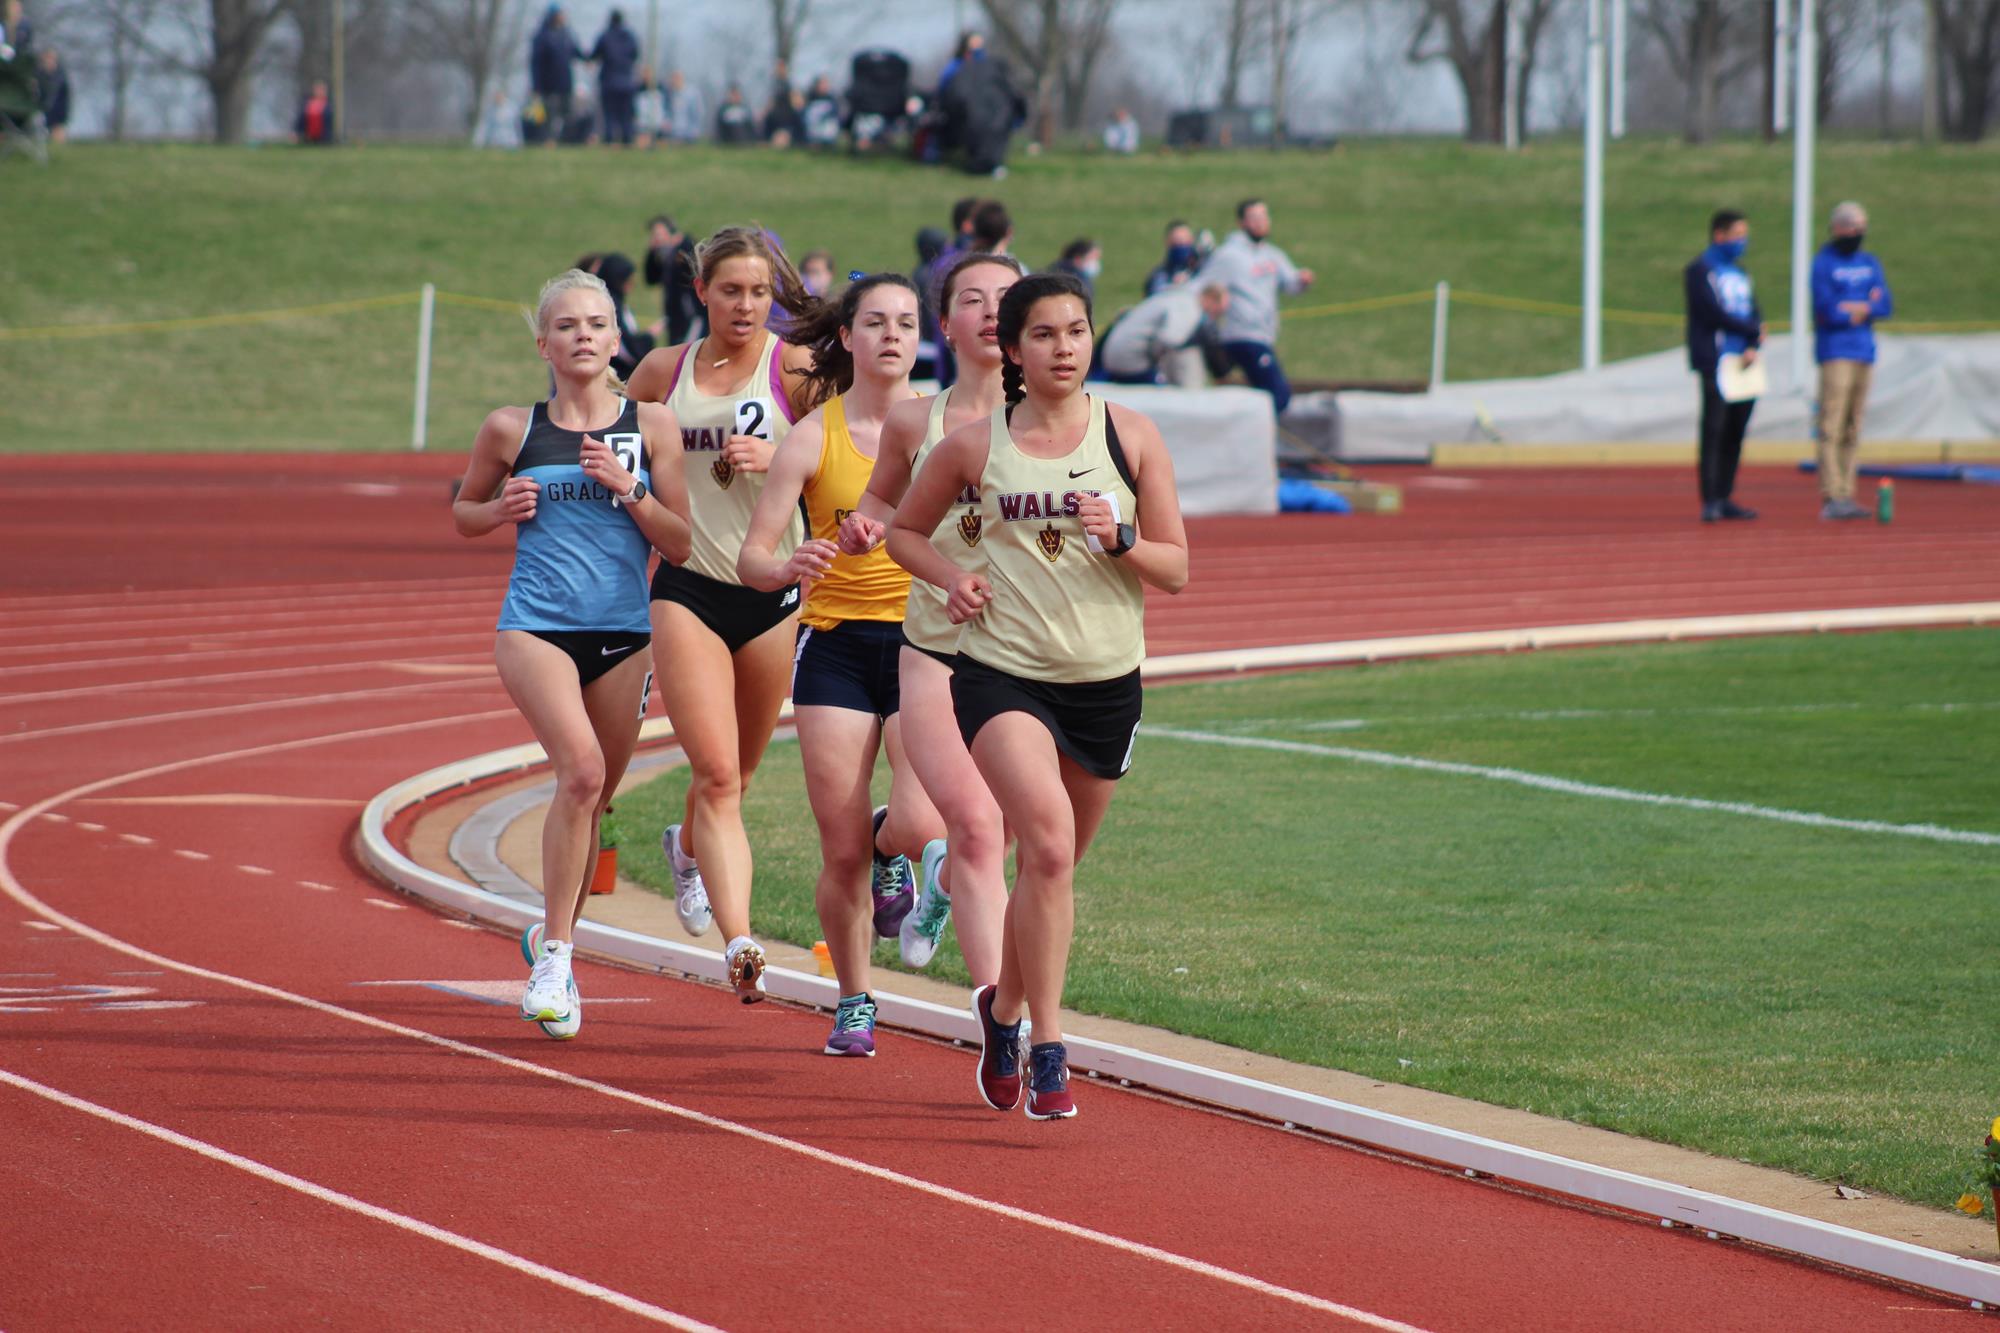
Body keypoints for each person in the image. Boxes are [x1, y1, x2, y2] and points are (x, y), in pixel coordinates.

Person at [886, 273, 1190, 1121]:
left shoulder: (1130, 436)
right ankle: (1050, 1045)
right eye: (1046, 334)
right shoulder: (974, 446)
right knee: (1046, 847)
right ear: (1013, 350)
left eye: (1077, 331)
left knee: (1052, 870)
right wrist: (952, 578)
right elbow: (907, 531)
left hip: (1106, 683)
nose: (1064, 348)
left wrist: (1122, 536)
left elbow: (1176, 568)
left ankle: (1003, 1011)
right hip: (1002, 676)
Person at [451, 269, 692, 1040]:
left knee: (593, 801)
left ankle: (554, 939)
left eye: (597, 322)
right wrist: (497, 509)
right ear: (543, 343)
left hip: (623, 633)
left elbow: (682, 543)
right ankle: (555, 961)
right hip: (535, 627)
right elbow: (463, 510)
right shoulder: (511, 429)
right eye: (567, 325)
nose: (583, 335)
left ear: (618, 339)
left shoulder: (652, 427)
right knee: (581, 772)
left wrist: (632, 489)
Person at [738, 275, 937, 1057]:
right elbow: (755, 557)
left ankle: (897, 852)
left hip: (927, 642)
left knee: (919, 821)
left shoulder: (948, 426)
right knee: (841, 844)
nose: (892, 334)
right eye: (877, 322)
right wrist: (792, 562)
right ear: (848, 337)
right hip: (837, 646)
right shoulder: (812, 435)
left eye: (908, 322)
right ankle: (855, 998)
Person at [623, 227, 820, 1003]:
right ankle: (742, 942)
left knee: (737, 771)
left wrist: (787, 459)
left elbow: (851, 465)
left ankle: (686, 845)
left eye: (761, 292)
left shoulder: (796, 371)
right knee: (716, 773)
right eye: (731, 289)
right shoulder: (662, 371)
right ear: (700, 289)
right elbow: (610, 445)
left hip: (771, 594)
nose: (746, 305)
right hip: (688, 587)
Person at [839, 252, 1025, 990]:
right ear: (944, 325)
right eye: (972, 300)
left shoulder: (1064, 427)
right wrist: (862, 528)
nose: (989, 312)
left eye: (1005, 299)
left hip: (1032, 657)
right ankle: (999, 1019)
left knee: (1007, 835)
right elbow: (881, 503)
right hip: (937, 647)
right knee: (959, 826)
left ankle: (943, 892)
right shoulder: (917, 421)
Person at [1811, 200, 1893, 521]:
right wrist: (1863, 306)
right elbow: (1827, 309)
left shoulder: (1870, 262)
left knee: (1853, 425)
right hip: (1835, 351)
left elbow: (1884, 303)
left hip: (1864, 350)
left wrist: (1856, 307)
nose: (1857, 234)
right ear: (1837, 229)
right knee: (1831, 423)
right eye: (1851, 228)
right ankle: (1832, 494)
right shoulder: (1824, 263)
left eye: (1861, 228)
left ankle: (1848, 490)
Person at [1684, 208, 1764, 523]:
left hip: (1743, 362)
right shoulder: (1701, 270)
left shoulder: (1741, 274)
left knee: (1736, 430)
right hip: (1716, 360)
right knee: (1714, 429)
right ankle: (1710, 498)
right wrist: (1750, 330)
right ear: (1720, 235)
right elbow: (1712, 313)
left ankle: (1727, 494)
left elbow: (1755, 314)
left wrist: (1753, 344)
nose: (1742, 241)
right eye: (1737, 235)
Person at [1198, 198, 1313, 416]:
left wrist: (1302, 280)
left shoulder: (1272, 254)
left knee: (1264, 395)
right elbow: (1202, 286)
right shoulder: (1229, 255)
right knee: (1278, 395)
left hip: (1264, 336)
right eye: (1254, 218)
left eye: (1264, 217)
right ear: (1241, 223)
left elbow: (1290, 282)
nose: (1261, 223)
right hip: (1241, 335)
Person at [1098, 281, 1229, 387]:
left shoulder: (1177, 296)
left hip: (1114, 353)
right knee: (1163, 396)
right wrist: (1157, 361)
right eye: (1219, 310)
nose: (1217, 315)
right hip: (1130, 358)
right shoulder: (1189, 307)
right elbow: (1169, 339)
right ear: (1211, 299)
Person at [644, 214, 702, 346]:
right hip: (673, 317)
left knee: (687, 351)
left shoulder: (687, 248)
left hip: (691, 315)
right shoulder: (665, 254)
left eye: (658, 234)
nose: (656, 239)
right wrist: (651, 252)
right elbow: (651, 279)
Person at [529, 5, 579, 144]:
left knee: (567, 113)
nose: (563, 17)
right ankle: (547, 140)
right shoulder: (542, 36)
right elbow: (535, 63)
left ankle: (566, 140)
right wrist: (536, 86)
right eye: (560, 14)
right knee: (548, 114)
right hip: (548, 84)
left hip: (565, 83)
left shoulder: (566, 34)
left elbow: (576, 52)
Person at [589, 10, 640, 146]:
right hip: (627, 82)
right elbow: (636, 54)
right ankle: (627, 139)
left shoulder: (605, 36)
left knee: (609, 113)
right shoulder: (630, 37)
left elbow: (595, 55)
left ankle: (610, 139)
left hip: (609, 81)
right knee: (626, 114)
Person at [1144, 220, 1200, 297]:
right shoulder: (1160, 275)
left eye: (1184, 242)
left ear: (1191, 241)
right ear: (1167, 243)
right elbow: (1154, 295)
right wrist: (1173, 287)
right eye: (1176, 243)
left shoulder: (1202, 268)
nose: (1181, 246)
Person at [1048, 239, 1100, 303]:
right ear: (1077, 258)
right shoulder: (1077, 283)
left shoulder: (1053, 270)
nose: (1095, 263)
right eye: (1093, 258)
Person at [35, 45, 65, 143]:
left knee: (57, 132)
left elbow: (64, 100)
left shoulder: (61, 78)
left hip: (56, 113)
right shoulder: (37, 75)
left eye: (52, 59)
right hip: (37, 109)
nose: (49, 61)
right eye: (47, 59)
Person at [802, 74, 842, 147]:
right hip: (813, 130)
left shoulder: (832, 100)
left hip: (827, 130)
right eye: (822, 84)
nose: (825, 86)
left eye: (826, 84)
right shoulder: (810, 99)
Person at [665, 69, 704, 143]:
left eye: (676, 78)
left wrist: (693, 132)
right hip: (673, 133)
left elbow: (697, 113)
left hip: (689, 134)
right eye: (672, 79)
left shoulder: (692, 93)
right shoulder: (671, 94)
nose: (674, 81)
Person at [293, 78, 332, 145]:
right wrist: (296, 132)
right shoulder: (308, 104)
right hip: (308, 138)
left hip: (325, 139)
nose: (320, 92)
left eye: (322, 89)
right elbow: (301, 119)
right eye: (318, 89)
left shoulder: (330, 105)